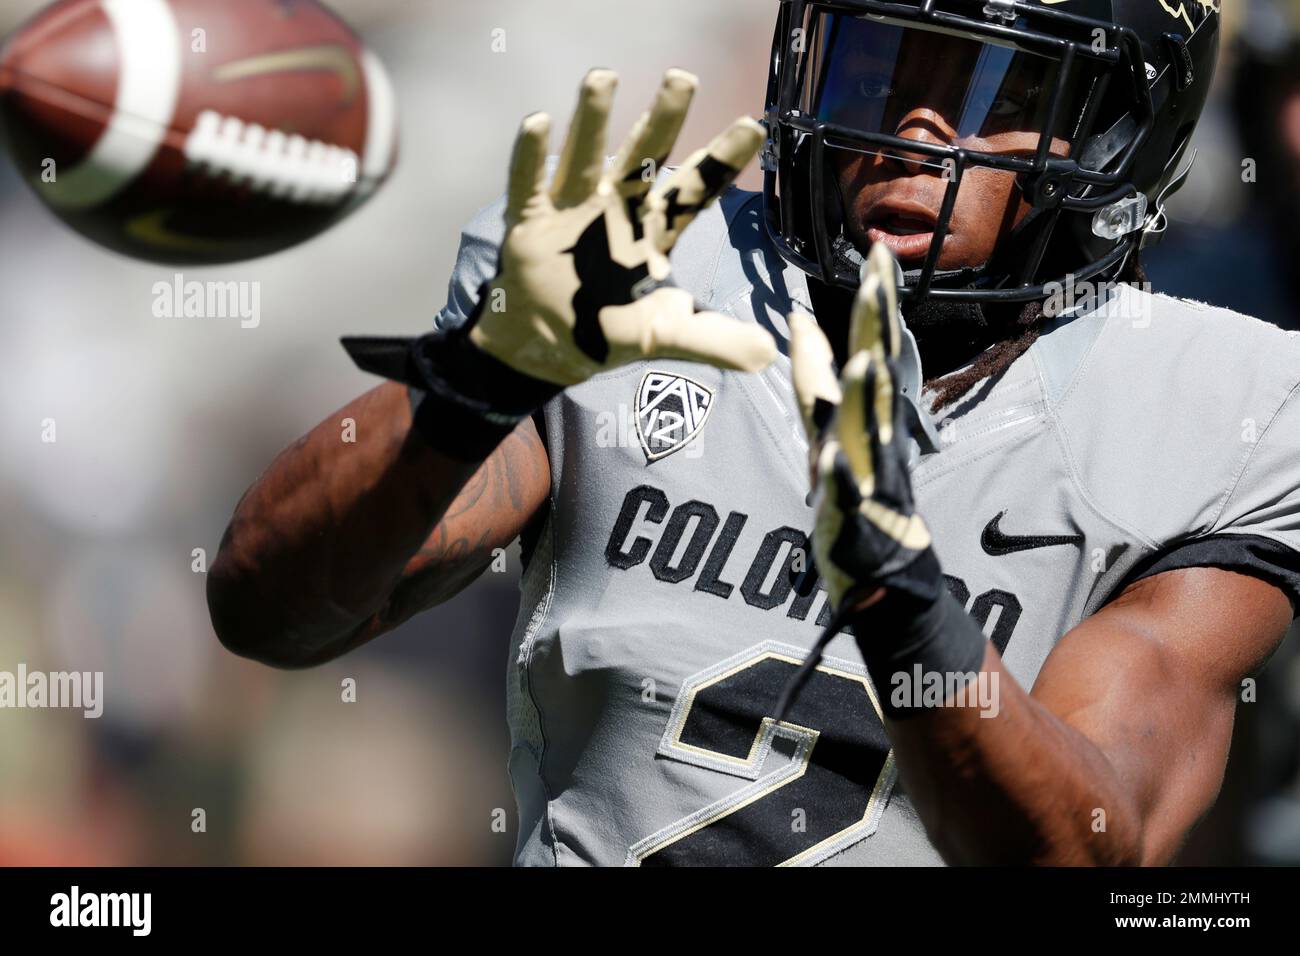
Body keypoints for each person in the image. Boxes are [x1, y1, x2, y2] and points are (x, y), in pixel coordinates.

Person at [209, 0, 1300, 866]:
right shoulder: (649, 271)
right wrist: (473, 379)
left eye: (995, 82)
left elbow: (1080, 842)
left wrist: (900, 603)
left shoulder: (1228, 406)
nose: (911, 129)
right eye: (879, 62)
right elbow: (269, 605)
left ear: (1119, 130)